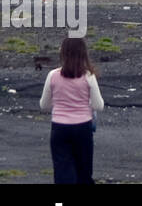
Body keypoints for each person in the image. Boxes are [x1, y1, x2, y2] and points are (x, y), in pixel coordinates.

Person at [40, 36, 105, 185]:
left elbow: (44, 105)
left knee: (62, 170)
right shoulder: (88, 76)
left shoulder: (53, 75)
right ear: (83, 53)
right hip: (83, 127)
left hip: (59, 128)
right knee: (83, 171)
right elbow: (98, 105)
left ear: (63, 53)